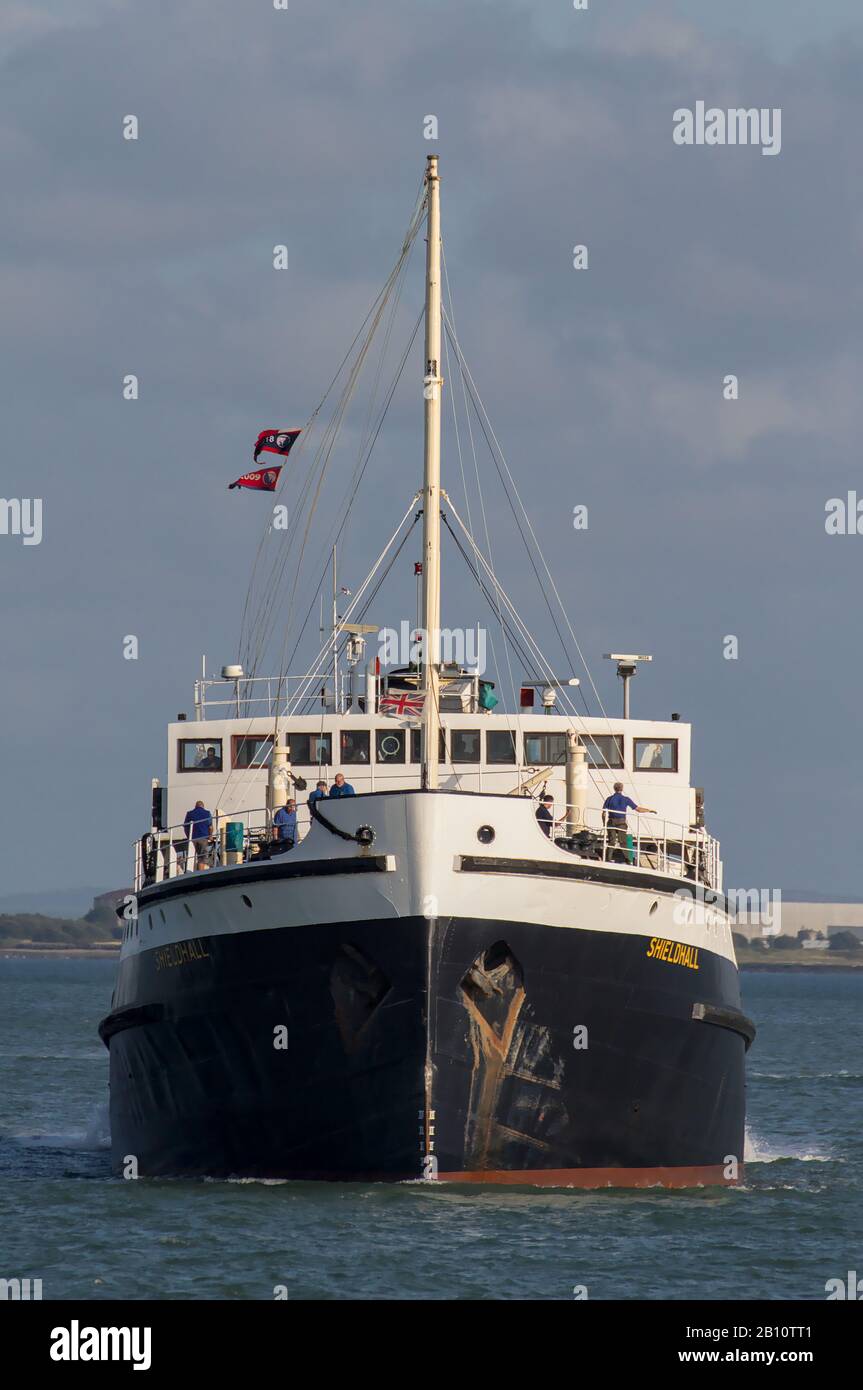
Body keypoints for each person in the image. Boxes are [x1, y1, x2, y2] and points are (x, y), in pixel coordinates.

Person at [602, 783, 654, 863]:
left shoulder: (609, 799)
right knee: (623, 841)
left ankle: (608, 859)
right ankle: (628, 860)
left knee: (611, 841)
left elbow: (604, 813)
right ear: (622, 789)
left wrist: (604, 824)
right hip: (621, 822)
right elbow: (638, 809)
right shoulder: (625, 799)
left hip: (611, 821)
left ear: (614, 788)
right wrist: (649, 810)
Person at [183, 800, 212, 869]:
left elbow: (185, 826)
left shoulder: (189, 813)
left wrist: (188, 836)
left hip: (192, 838)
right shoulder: (207, 813)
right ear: (203, 806)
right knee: (202, 857)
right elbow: (210, 827)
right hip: (203, 838)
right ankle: (200, 872)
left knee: (191, 857)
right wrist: (210, 836)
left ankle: (189, 872)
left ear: (195, 806)